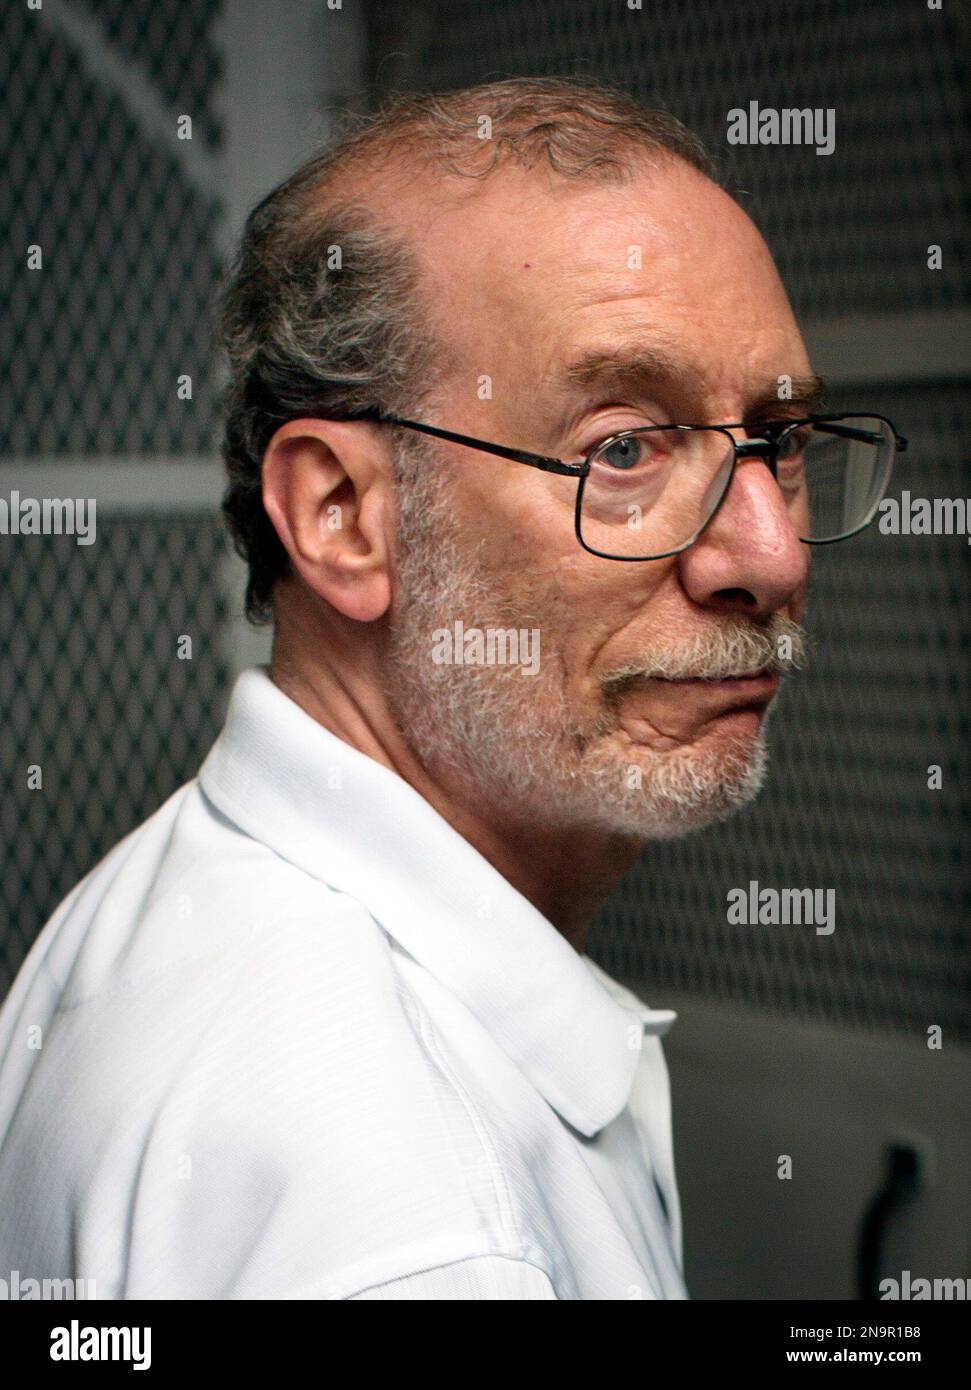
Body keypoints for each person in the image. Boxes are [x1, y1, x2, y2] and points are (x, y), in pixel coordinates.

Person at [0, 75, 900, 1299]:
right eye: (623, 449)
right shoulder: (417, 1228)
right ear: (341, 516)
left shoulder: (160, 911)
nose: (770, 555)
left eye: (779, 442)